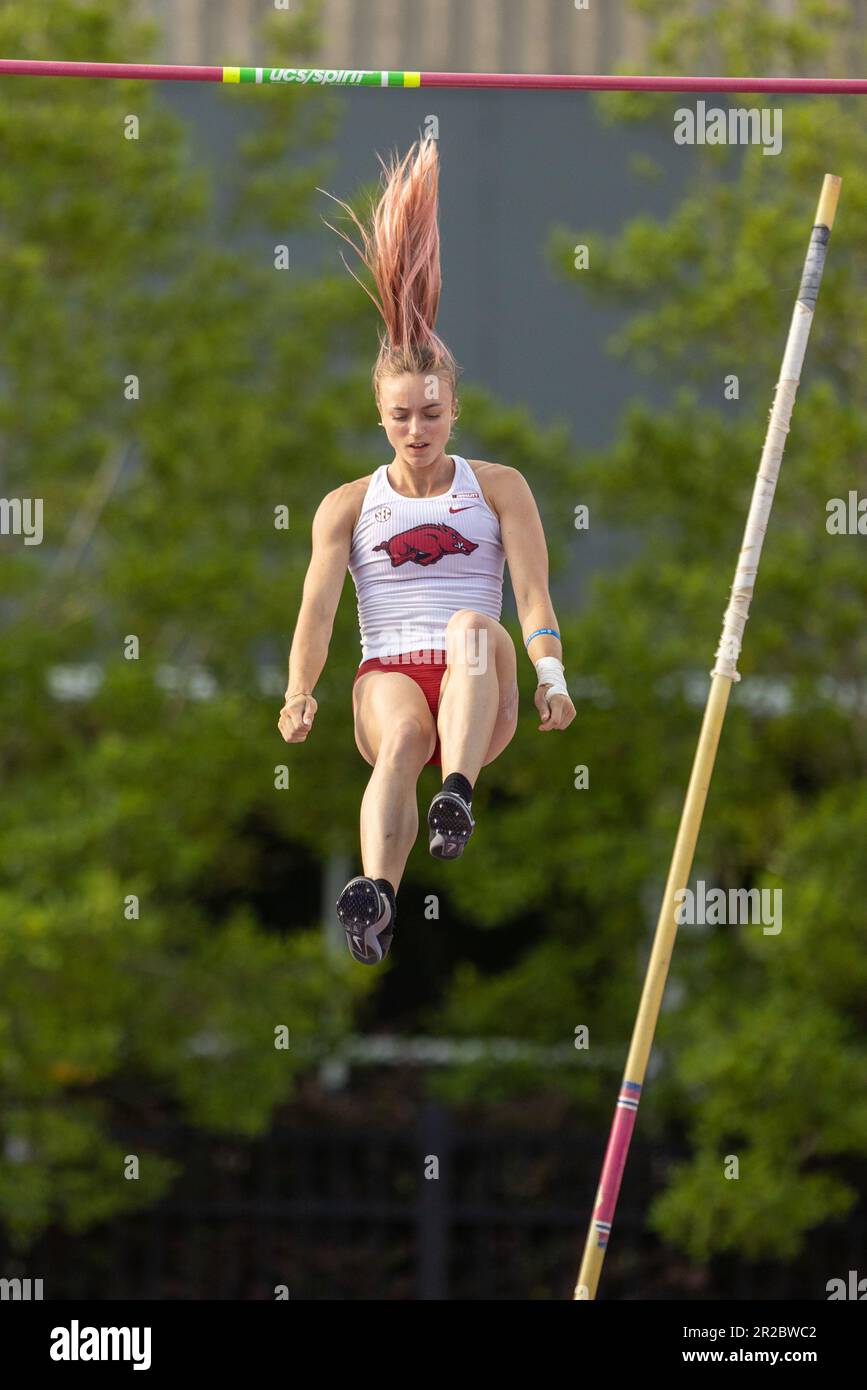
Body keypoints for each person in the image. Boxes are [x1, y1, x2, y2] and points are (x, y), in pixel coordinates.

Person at [278, 135, 575, 965]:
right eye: (401, 416)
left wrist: (551, 676)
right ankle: (378, 895)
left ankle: (457, 796)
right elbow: (318, 608)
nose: (417, 430)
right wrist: (299, 692)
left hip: (480, 695)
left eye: (431, 414)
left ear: (454, 412)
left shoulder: (498, 487)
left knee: (473, 630)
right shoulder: (346, 506)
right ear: (380, 415)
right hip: (390, 681)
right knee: (400, 740)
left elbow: (532, 598)